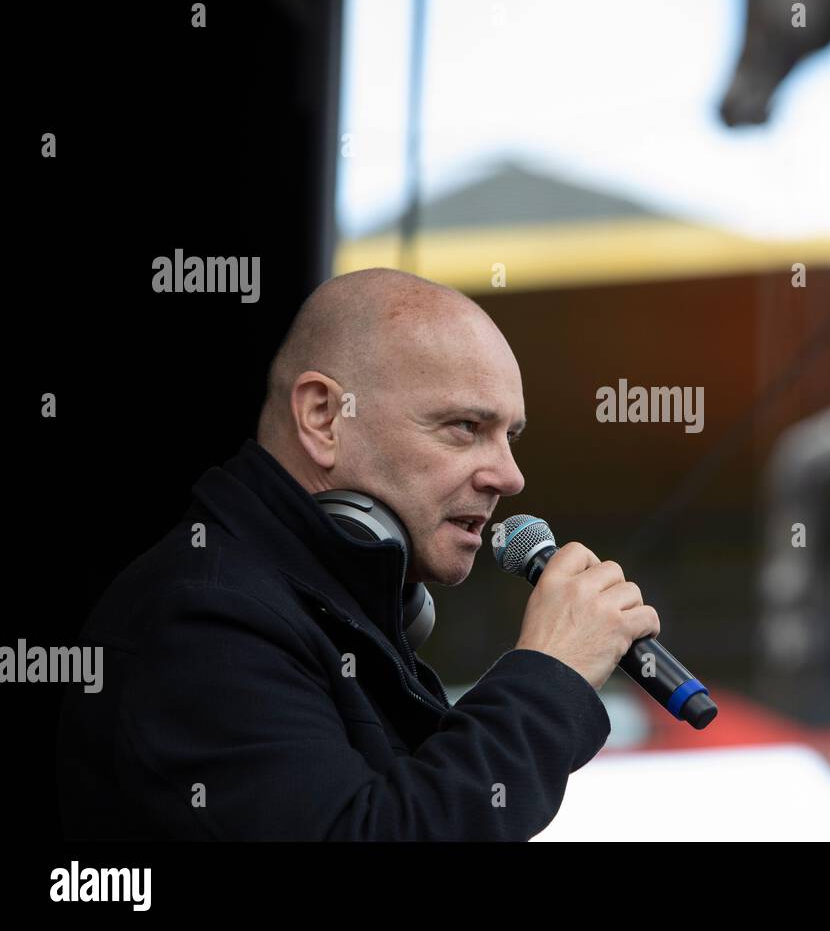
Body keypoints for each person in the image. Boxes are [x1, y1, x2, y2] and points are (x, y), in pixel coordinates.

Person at [56, 267, 659, 840]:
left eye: (511, 437)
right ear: (323, 417)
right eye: (464, 427)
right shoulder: (202, 619)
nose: (509, 475)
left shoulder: (318, 608)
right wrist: (550, 678)